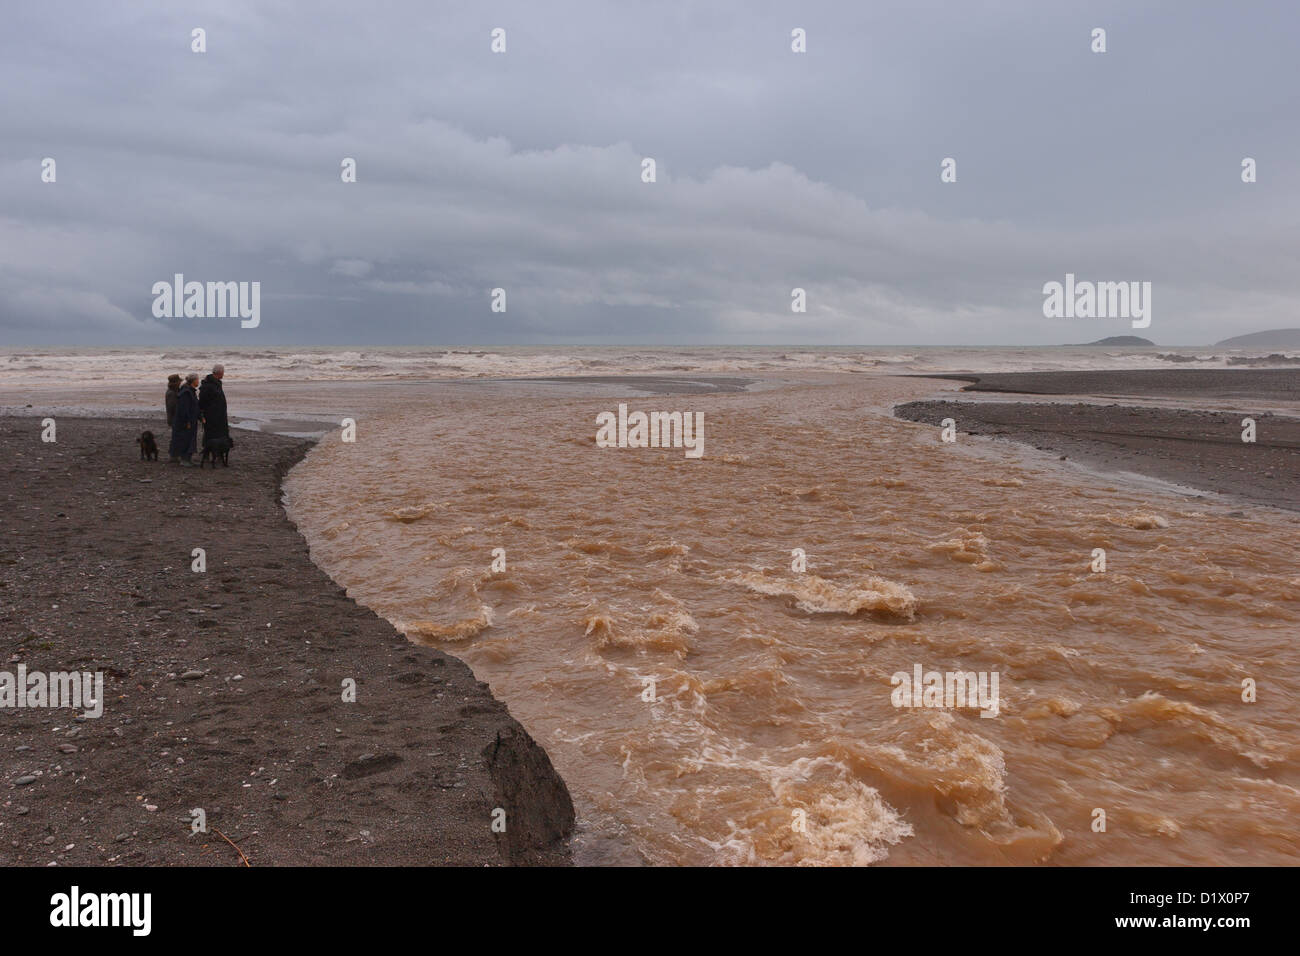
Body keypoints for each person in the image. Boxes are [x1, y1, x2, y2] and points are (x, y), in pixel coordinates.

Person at [169, 373, 201, 465]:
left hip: (191, 420)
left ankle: (187, 459)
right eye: (197, 380)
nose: (198, 381)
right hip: (186, 421)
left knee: (189, 439)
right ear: (193, 381)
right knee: (186, 439)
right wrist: (187, 421)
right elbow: (184, 408)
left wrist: (200, 416)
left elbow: (194, 406)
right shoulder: (186, 392)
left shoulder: (190, 391)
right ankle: (184, 460)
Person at [198, 364, 229, 449]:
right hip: (211, 415)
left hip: (219, 414)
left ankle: (216, 450)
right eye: (223, 372)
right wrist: (203, 413)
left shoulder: (217, 383)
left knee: (218, 434)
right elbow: (202, 401)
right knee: (211, 434)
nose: (223, 374)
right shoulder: (208, 385)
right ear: (220, 372)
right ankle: (207, 451)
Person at [165, 374, 182, 460]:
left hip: (174, 418)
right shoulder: (172, 393)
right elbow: (172, 407)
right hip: (174, 418)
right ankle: (173, 455)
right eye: (179, 381)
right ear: (176, 383)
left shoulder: (174, 391)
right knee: (176, 437)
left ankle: (174, 454)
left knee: (176, 437)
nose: (180, 383)